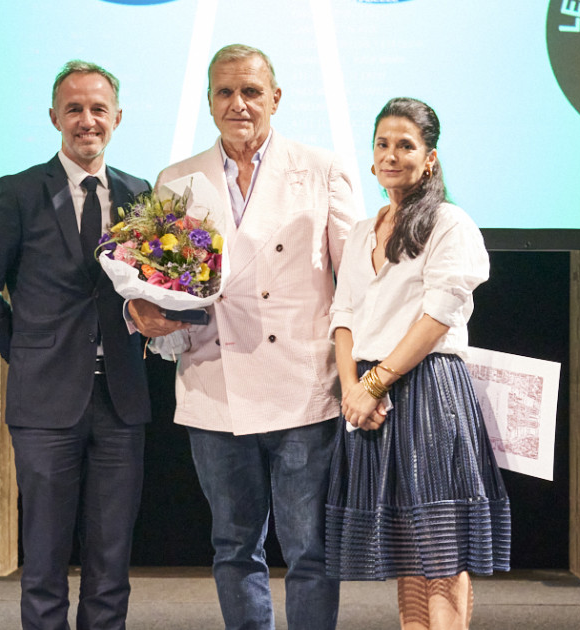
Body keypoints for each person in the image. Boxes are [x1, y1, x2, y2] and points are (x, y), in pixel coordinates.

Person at [128, 44, 362, 629]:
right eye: (226, 92)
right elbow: (159, 283)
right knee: (234, 547)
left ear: (275, 99)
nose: (239, 104)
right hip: (215, 385)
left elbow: (355, 283)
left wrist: (360, 376)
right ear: (210, 101)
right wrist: (143, 312)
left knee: (310, 548)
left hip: (305, 387)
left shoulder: (322, 168)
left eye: (251, 92)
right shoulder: (177, 179)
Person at [0, 60, 151, 630]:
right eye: (74, 109)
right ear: (53, 118)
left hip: (122, 401)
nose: (86, 121)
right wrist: (25, 350)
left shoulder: (140, 196)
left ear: (117, 118)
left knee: (112, 562)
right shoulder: (18, 192)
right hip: (44, 406)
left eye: (97, 109)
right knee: (43, 560)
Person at [324, 97, 511, 630]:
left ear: (429, 157)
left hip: (428, 388)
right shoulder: (363, 230)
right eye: (382, 144)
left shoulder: (451, 222)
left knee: (441, 547)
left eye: (405, 145)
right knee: (409, 546)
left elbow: (437, 316)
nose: (391, 155)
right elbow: (343, 317)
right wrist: (351, 391)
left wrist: (375, 383)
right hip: (370, 394)